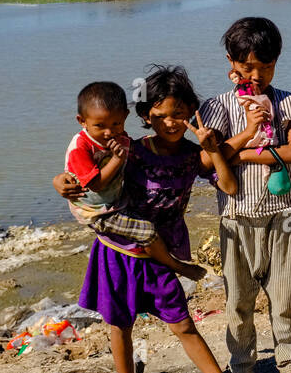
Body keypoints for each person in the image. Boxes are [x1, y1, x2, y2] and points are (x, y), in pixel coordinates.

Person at [53, 65, 253, 373]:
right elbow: (85, 172)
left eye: (179, 115)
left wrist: (214, 149)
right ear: (146, 116)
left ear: (191, 113)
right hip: (118, 250)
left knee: (182, 323)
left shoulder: (192, 155)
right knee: (120, 324)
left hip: (160, 255)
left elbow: (229, 186)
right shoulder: (132, 151)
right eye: (162, 116)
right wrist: (60, 181)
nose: (172, 123)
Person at [198, 17, 291, 373]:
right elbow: (207, 161)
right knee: (238, 299)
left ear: (276, 62)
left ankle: (288, 361)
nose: (257, 74)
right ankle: (243, 365)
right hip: (236, 215)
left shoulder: (287, 101)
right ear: (231, 63)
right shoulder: (216, 107)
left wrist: (239, 153)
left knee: (284, 295)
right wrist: (251, 134)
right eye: (248, 66)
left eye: (266, 66)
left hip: (281, 212)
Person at [64, 81, 206, 280]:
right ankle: (178, 267)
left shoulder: (120, 138)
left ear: (125, 117)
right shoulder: (82, 147)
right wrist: (117, 159)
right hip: (96, 212)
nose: (109, 132)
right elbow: (95, 183)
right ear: (82, 121)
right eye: (100, 126)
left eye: (116, 124)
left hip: (117, 206)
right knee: (146, 231)